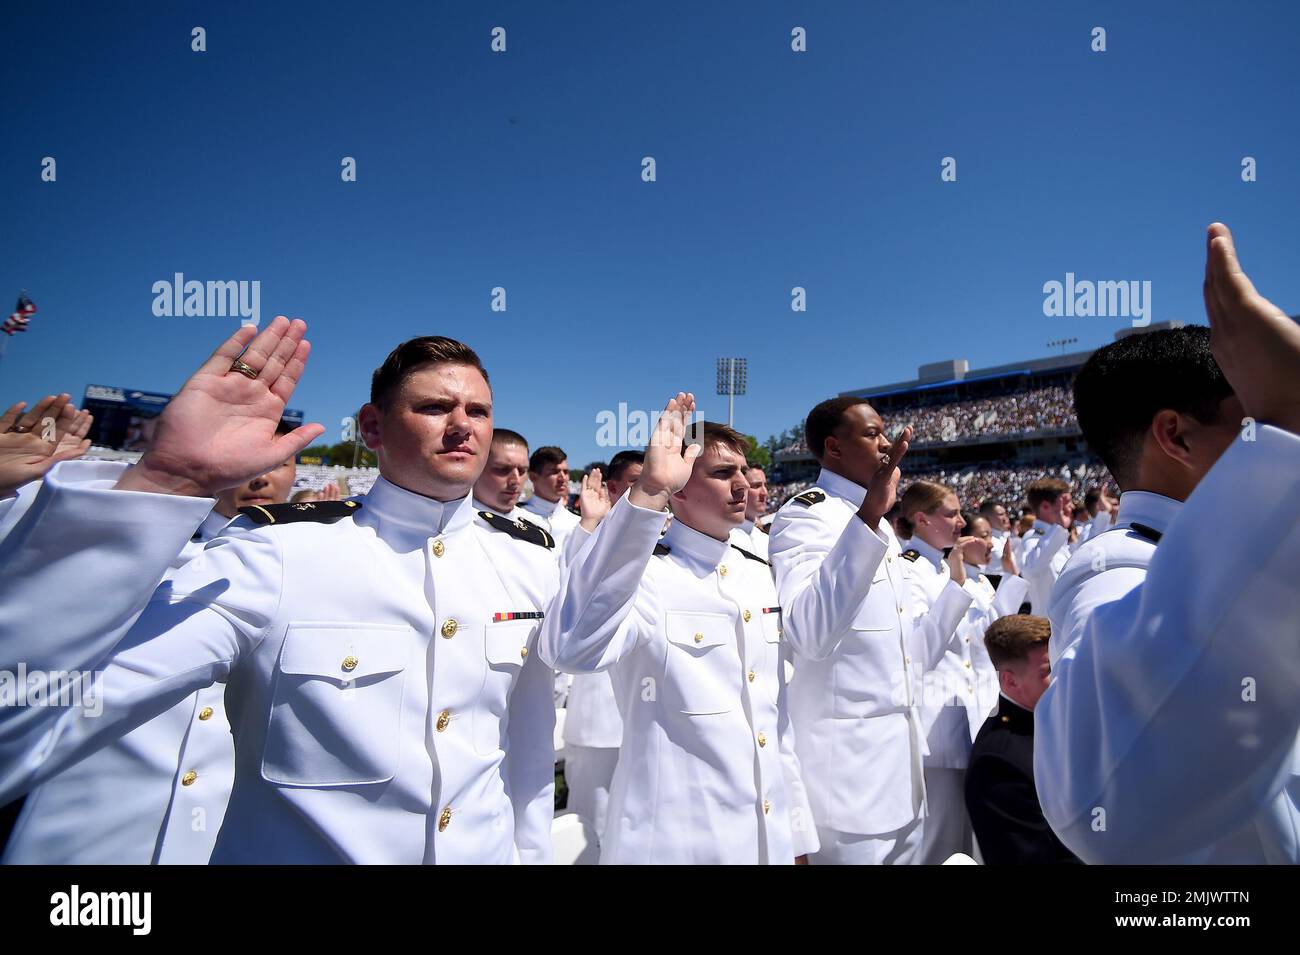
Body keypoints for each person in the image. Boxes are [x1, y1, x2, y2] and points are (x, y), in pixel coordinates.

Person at [0, 322, 557, 864]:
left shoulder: (524, 556)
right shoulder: (277, 553)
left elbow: (526, 752)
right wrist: (167, 481)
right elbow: (30, 726)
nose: (462, 425)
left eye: (478, 411)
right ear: (372, 427)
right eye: (434, 408)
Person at [1035, 223, 1300, 863]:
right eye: (1253, 424)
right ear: (1176, 437)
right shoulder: (1112, 570)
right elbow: (1105, 802)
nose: (1274, 448)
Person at [4, 436, 298, 865]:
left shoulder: (314, 570)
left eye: (280, 463)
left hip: (223, 836)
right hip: (81, 832)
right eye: (253, 460)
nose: (261, 477)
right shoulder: (128, 543)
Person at [540, 410, 815, 863]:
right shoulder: (642, 573)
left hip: (765, 840)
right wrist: (647, 494)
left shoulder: (757, 574)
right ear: (680, 487)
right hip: (675, 843)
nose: (743, 484)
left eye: (744, 471)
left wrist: (795, 836)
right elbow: (569, 648)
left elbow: (772, 725)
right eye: (724, 473)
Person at [768, 398, 972, 864]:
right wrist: (867, 519)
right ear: (834, 448)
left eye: (885, 433)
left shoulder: (879, 527)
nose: (885, 444)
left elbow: (912, 656)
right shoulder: (807, 516)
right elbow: (810, 633)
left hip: (903, 776)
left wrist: (955, 593)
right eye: (872, 433)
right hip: (848, 788)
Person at [557, 449, 643, 840]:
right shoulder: (584, 533)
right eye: (637, 483)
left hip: (647, 718)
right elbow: (571, 598)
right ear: (611, 488)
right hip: (599, 722)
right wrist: (591, 526)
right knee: (592, 832)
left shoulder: (665, 539)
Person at [964, 615, 1079, 865]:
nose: (1061, 678)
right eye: (1048, 671)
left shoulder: (1056, 720)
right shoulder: (997, 763)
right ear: (1010, 680)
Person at [1018, 478, 1072, 614]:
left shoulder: (1054, 536)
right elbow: (1031, 569)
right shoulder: (1032, 539)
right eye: (1065, 503)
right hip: (1048, 627)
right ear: (1045, 506)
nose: (1072, 507)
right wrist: (1059, 527)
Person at [521, 445, 580, 549]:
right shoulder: (516, 516)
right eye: (554, 472)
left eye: (565, 472)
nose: (563, 478)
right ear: (533, 477)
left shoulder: (578, 523)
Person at [472, 428, 535, 523]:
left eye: (522, 470)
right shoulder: (451, 527)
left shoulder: (537, 528)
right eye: (503, 469)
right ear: (476, 468)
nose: (515, 481)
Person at [730, 464, 770, 560]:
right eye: (756, 486)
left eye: (765, 485)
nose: (764, 493)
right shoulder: (725, 539)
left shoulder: (766, 540)